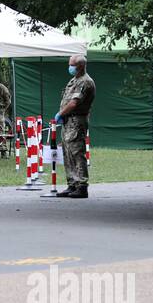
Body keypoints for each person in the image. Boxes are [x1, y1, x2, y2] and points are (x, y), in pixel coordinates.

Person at [53, 54, 96, 197]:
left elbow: (74, 103)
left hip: (76, 121)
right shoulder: (74, 80)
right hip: (68, 122)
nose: (70, 67)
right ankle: (72, 184)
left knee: (77, 153)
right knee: (67, 153)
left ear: (81, 66)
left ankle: (82, 186)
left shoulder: (85, 82)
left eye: (72, 65)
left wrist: (60, 113)